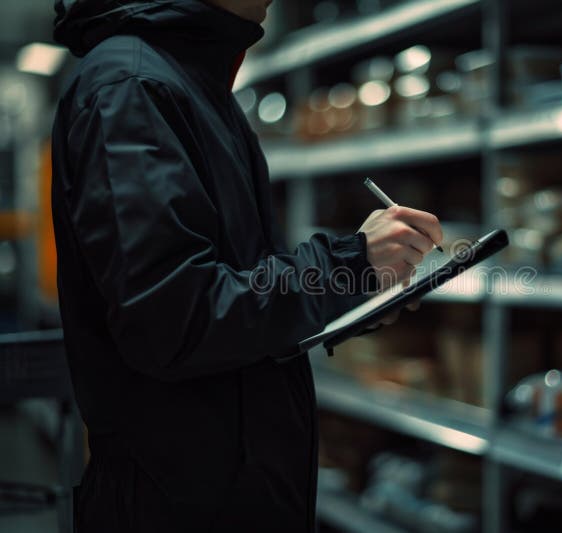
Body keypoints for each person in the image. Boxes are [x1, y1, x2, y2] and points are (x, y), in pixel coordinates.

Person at [50, 0, 443, 531]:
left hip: (230, 491)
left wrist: (357, 292)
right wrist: (346, 264)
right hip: (176, 505)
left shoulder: (192, 86)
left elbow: (238, 290)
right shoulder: (132, 88)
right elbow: (175, 317)